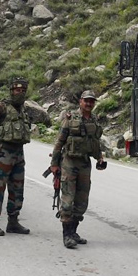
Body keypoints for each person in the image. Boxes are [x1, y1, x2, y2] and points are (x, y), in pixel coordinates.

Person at [49, 90, 106, 249]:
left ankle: (73, 231)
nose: (89, 104)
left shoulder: (94, 121)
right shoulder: (70, 118)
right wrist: (54, 163)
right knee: (67, 200)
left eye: (92, 101)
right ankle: (66, 235)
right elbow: (60, 142)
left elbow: (94, 143)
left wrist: (99, 158)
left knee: (82, 202)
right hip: (69, 163)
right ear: (80, 102)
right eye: (86, 101)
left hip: (85, 164)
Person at [0, 77, 32, 236]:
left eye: (23, 90)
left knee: (17, 189)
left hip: (19, 153)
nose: (21, 93)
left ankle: (13, 221)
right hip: (4, 153)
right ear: (11, 91)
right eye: (18, 90)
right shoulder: (1, 107)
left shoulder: (24, 108)